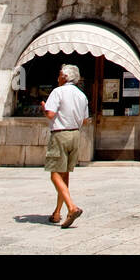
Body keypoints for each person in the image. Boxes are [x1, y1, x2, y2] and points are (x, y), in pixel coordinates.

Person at [43, 64, 88, 228]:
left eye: (60, 74)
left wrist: (43, 108)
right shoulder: (82, 96)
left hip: (60, 134)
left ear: (65, 77)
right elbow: (84, 120)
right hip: (75, 135)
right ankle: (56, 213)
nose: (58, 77)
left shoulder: (58, 91)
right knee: (65, 175)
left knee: (54, 174)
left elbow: (50, 114)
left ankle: (71, 207)